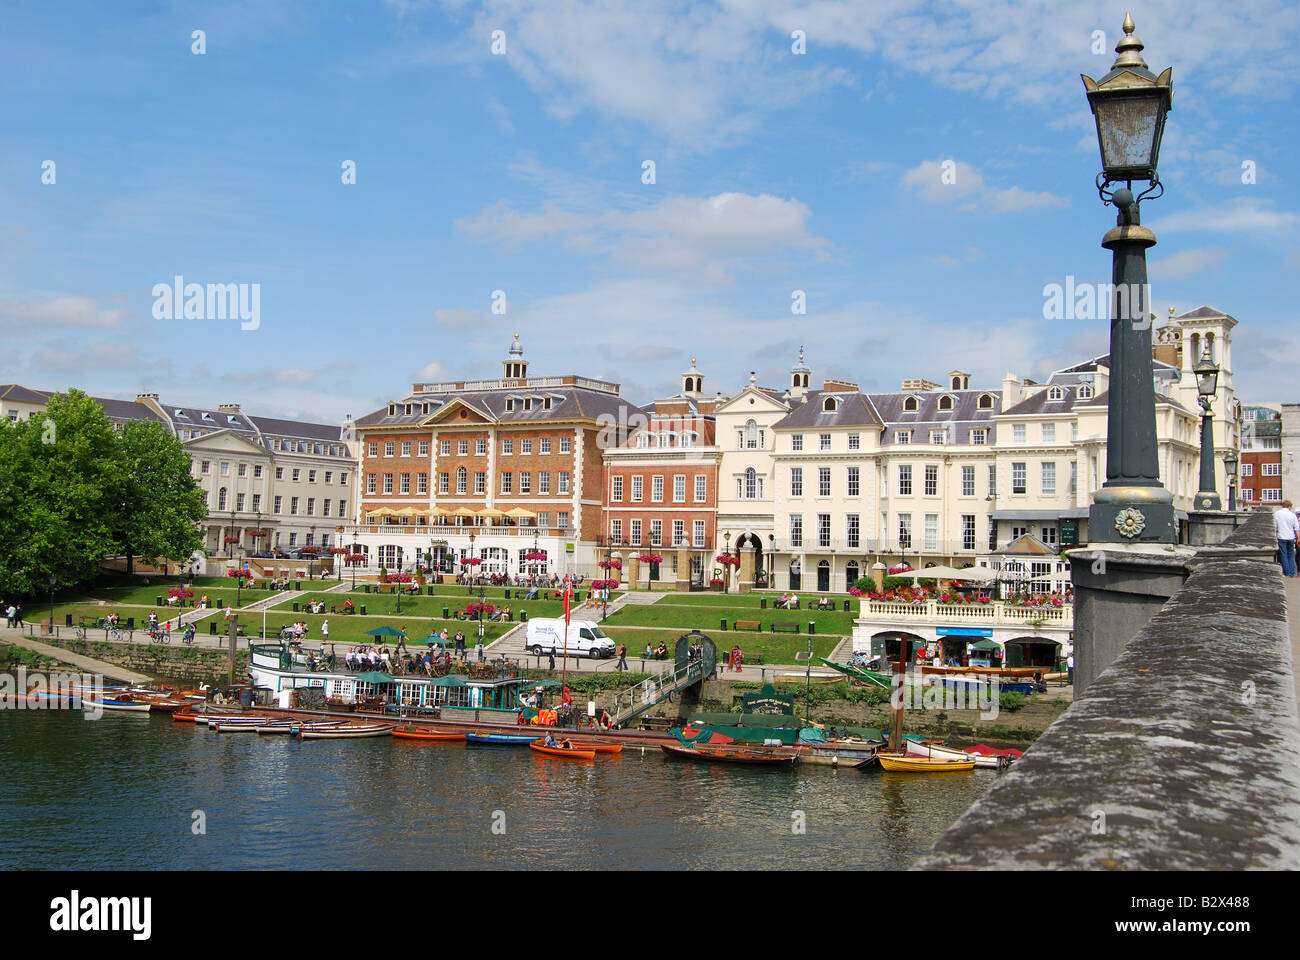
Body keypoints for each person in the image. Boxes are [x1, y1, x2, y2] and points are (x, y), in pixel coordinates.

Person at [1274, 500, 1300, 577]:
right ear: (1289, 506)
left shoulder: (1277, 514)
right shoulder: (1292, 515)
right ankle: (1291, 573)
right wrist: (1298, 538)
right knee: (1291, 555)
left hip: (1281, 536)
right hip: (1291, 537)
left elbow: (1275, 527)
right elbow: (1296, 528)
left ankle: (1287, 572)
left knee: (1283, 555)